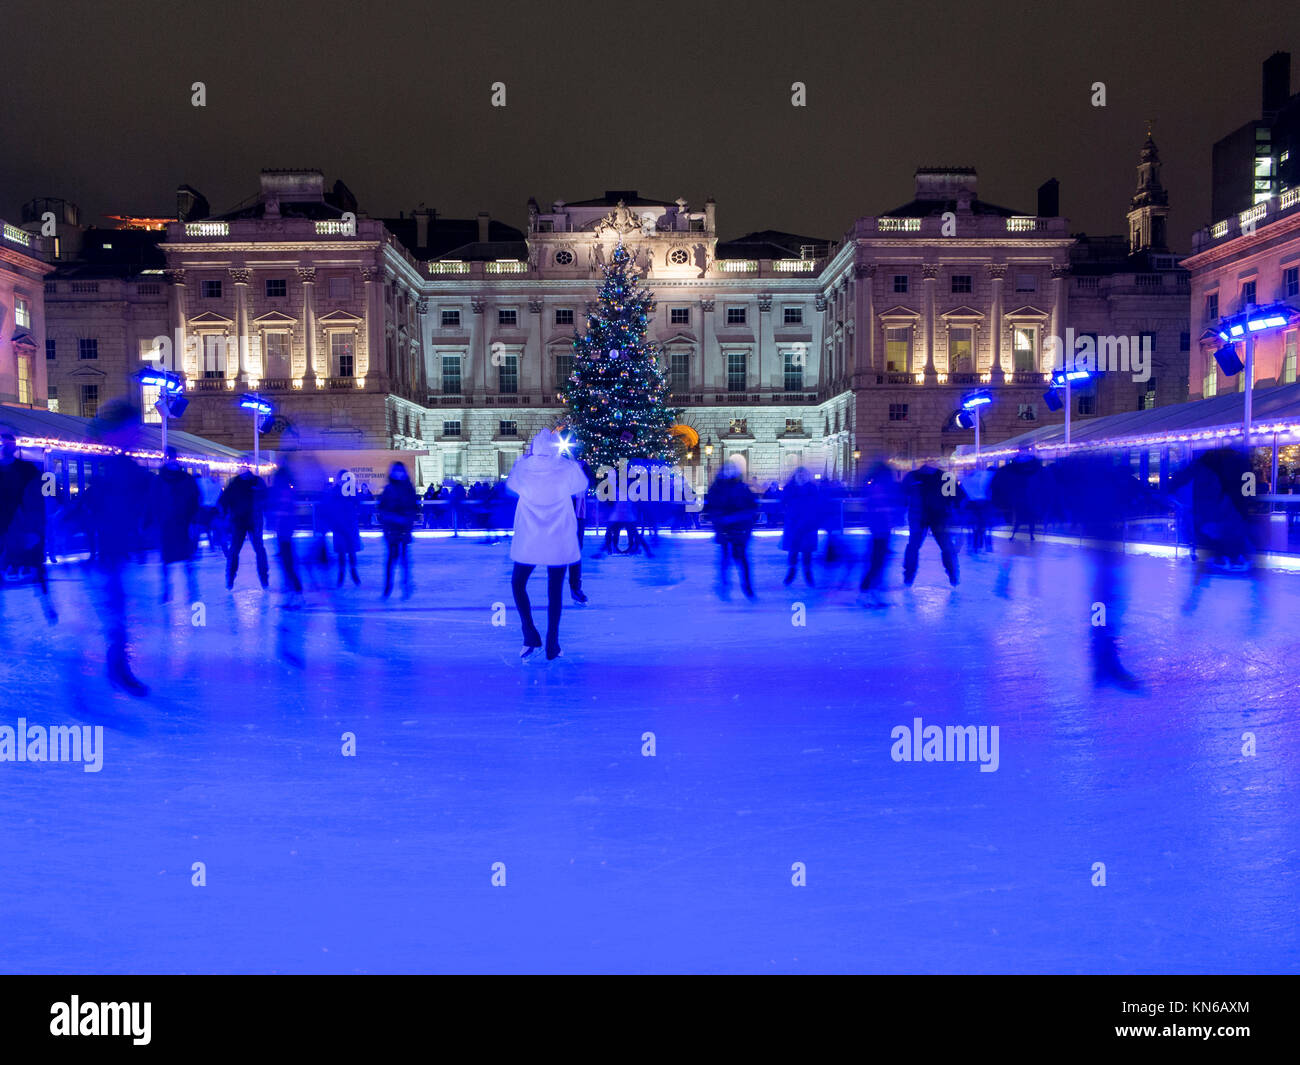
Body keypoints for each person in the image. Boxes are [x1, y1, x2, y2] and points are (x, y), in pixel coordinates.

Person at [83, 402, 152, 695]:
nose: (138, 434)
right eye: (133, 429)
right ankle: (116, 669)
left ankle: (117, 667)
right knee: (115, 612)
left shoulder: (124, 467)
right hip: (109, 552)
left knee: (118, 612)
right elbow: (95, 504)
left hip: (118, 551)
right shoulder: (115, 468)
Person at [505, 428, 589, 659]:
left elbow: (511, 484)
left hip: (529, 538)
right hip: (558, 538)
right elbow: (581, 485)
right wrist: (570, 461)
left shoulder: (523, 467)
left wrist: (522, 460)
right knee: (555, 592)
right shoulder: (564, 468)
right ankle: (552, 645)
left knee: (517, 583)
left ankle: (530, 634)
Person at [0, 431, 57, 622]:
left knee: (35, 565)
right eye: (5, 444)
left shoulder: (27, 469)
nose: (7, 447)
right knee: (32, 564)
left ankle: (47, 604)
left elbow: (45, 489)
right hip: (11, 525)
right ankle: (46, 604)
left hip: (22, 525)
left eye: (10, 444)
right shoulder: (25, 469)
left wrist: (41, 521)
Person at [704, 459, 759, 600]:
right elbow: (710, 508)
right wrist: (718, 519)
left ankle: (746, 586)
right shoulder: (716, 488)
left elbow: (752, 508)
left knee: (740, 557)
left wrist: (739, 520)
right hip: (724, 528)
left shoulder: (741, 488)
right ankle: (726, 584)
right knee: (726, 557)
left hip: (739, 528)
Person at [901, 463, 960, 587]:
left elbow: (902, 495)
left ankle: (909, 575)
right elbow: (955, 498)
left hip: (922, 516)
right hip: (936, 516)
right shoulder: (945, 476)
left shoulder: (913, 476)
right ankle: (952, 574)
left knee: (914, 546)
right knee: (945, 545)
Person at [156, 446, 200, 605]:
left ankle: (189, 588)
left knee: (186, 558)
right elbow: (153, 501)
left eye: (172, 457)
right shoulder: (160, 480)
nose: (171, 460)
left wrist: (194, 521)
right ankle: (167, 591)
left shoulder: (186, 479)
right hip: (167, 524)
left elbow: (195, 500)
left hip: (183, 523)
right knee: (167, 560)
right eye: (168, 457)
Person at [859, 461, 901, 607]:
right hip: (880, 531)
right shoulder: (878, 489)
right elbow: (877, 510)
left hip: (882, 531)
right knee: (876, 563)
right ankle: (867, 591)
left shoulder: (879, 488)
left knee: (878, 563)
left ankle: (871, 591)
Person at [219, 468, 270, 590]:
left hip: (254, 520)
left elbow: (266, 497)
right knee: (235, 550)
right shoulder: (234, 483)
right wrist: (224, 514)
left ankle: (264, 579)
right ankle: (230, 578)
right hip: (239, 521)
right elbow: (223, 501)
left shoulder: (257, 482)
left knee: (258, 549)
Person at [377, 461, 420, 599]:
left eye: (400, 471)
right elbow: (382, 509)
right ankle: (388, 587)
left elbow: (413, 508)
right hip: (391, 529)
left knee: (403, 558)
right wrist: (392, 520)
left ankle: (405, 586)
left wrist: (407, 522)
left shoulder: (408, 489)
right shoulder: (389, 489)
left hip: (403, 529)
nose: (398, 473)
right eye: (396, 471)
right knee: (392, 558)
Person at [268, 461, 303, 603]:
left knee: (287, 561)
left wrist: (276, 516)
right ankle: (292, 587)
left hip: (284, 530)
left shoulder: (283, 492)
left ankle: (296, 588)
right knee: (287, 559)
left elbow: (284, 510)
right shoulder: (287, 491)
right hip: (285, 530)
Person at [780, 466, 819, 586]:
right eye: (799, 474)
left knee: (807, 550)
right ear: (795, 475)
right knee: (793, 549)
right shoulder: (790, 487)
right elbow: (782, 502)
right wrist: (788, 513)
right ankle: (791, 571)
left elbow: (818, 503)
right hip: (793, 523)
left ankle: (808, 573)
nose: (801, 476)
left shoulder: (812, 488)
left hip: (808, 523)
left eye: (804, 474)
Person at [324, 470, 362, 586]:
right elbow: (330, 505)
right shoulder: (334, 491)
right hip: (339, 526)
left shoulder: (351, 490)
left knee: (351, 552)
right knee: (341, 552)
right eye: (341, 478)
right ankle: (341, 575)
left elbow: (357, 502)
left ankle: (353, 572)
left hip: (350, 525)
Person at [569, 460, 595, 604]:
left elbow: (589, 482)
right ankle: (573, 588)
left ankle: (575, 588)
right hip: (562, 517)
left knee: (575, 552)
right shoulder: (561, 470)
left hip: (578, 517)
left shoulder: (582, 470)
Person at [963, 464, 995, 553]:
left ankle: (976, 543)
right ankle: (984, 544)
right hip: (983, 504)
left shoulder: (967, 479)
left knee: (977, 525)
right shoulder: (985, 476)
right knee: (983, 525)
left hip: (974, 505)